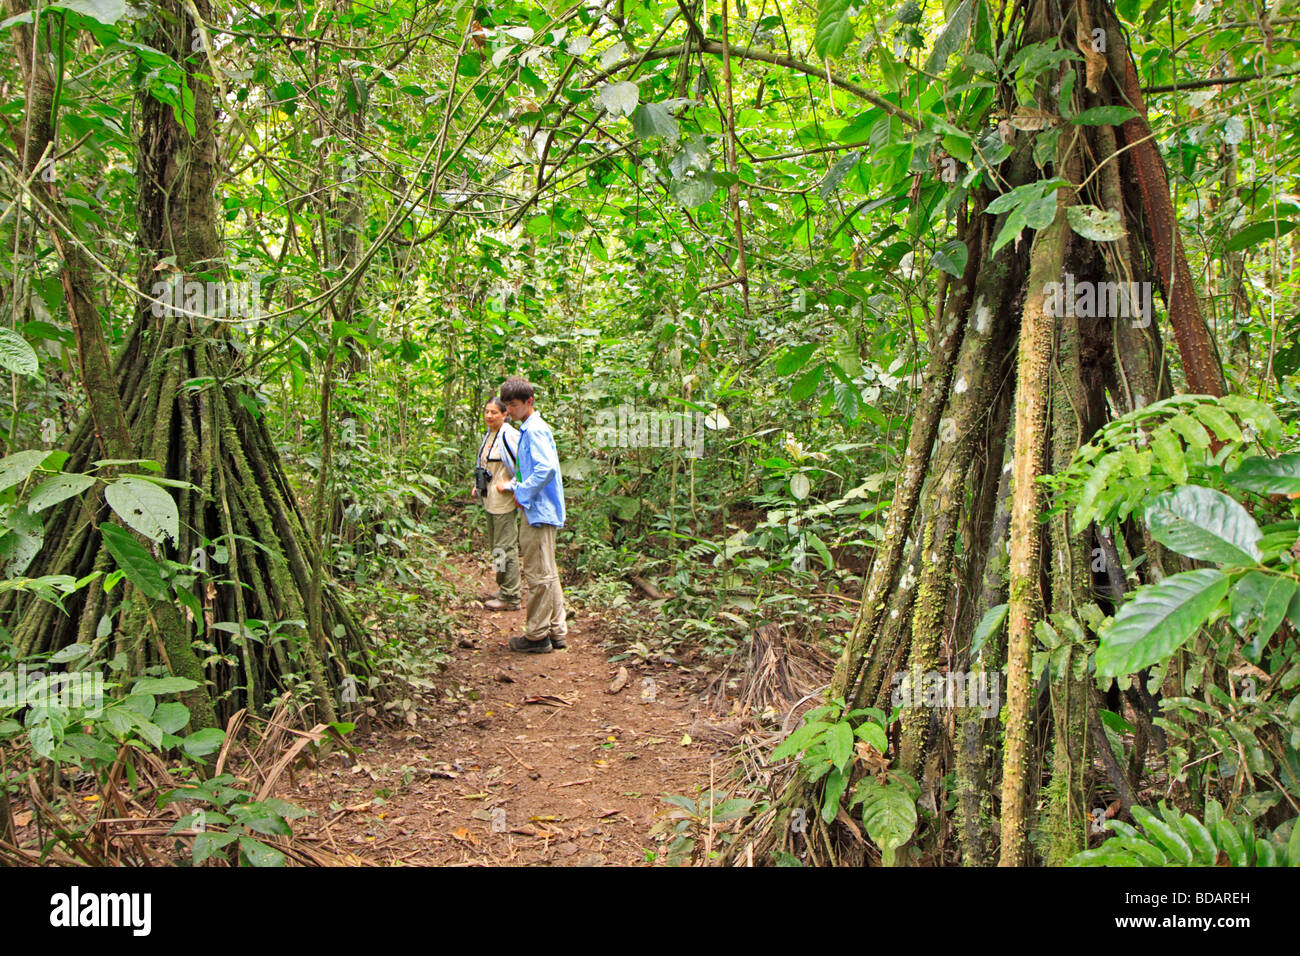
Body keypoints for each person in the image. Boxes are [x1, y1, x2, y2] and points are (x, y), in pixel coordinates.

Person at [495, 376, 568, 653]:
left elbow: (545, 470)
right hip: (538, 508)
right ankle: (556, 630)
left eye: (513, 405)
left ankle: (537, 635)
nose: (509, 411)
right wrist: (515, 485)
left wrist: (522, 493)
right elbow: (531, 470)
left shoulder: (534, 430)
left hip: (538, 510)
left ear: (529, 402)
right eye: (507, 405)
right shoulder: (529, 428)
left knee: (539, 574)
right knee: (548, 571)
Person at [472, 397, 521, 611]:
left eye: (494, 412)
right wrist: (478, 484)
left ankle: (511, 596)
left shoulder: (509, 434)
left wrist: (512, 485)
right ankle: (503, 587)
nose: (489, 416)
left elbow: (524, 463)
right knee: (496, 548)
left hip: (503, 501)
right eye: (486, 412)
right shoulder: (490, 435)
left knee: (505, 547)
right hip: (489, 499)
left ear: (504, 414)